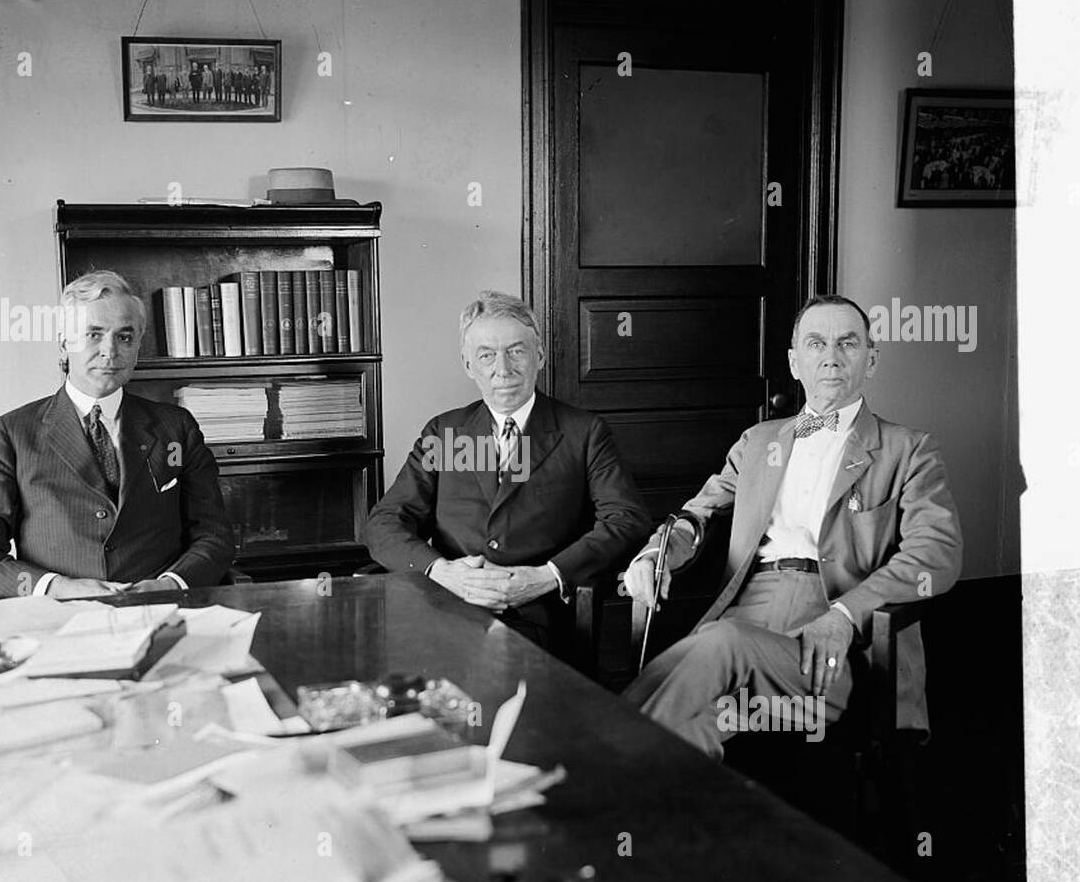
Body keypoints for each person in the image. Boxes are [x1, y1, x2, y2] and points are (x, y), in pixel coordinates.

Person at [622, 295, 962, 759]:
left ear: (871, 358)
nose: (831, 357)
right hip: (746, 608)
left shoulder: (908, 450)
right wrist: (653, 557)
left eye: (848, 343)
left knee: (717, 646)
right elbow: (695, 518)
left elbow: (935, 554)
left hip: (841, 639)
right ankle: (700, 826)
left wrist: (845, 616)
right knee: (690, 723)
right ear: (793, 361)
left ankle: (587, 773)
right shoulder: (758, 441)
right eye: (816, 343)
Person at [366, 291, 650, 657]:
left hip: (534, 613)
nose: (503, 368)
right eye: (486, 355)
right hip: (447, 604)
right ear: (469, 366)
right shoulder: (445, 432)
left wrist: (547, 576)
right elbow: (384, 522)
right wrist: (441, 571)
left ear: (540, 357)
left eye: (516, 351)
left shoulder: (585, 433)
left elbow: (627, 518)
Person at [0, 271, 234, 600]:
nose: (110, 351)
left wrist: (171, 584)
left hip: (160, 612)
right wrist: (56, 588)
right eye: (93, 334)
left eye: (125, 337)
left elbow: (214, 534)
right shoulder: (11, 434)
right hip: (56, 623)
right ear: (64, 342)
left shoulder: (176, 429)